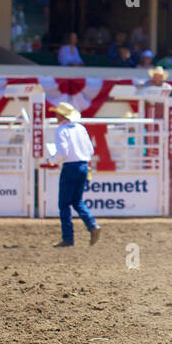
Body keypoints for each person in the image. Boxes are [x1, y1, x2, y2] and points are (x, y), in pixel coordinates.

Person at [48, 102, 102, 246]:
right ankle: (92, 225)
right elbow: (90, 149)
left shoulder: (61, 130)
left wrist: (53, 160)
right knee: (77, 201)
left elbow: (63, 152)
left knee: (64, 204)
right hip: (83, 165)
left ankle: (68, 238)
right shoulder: (80, 128)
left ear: (61, 115)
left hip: (70, 167)